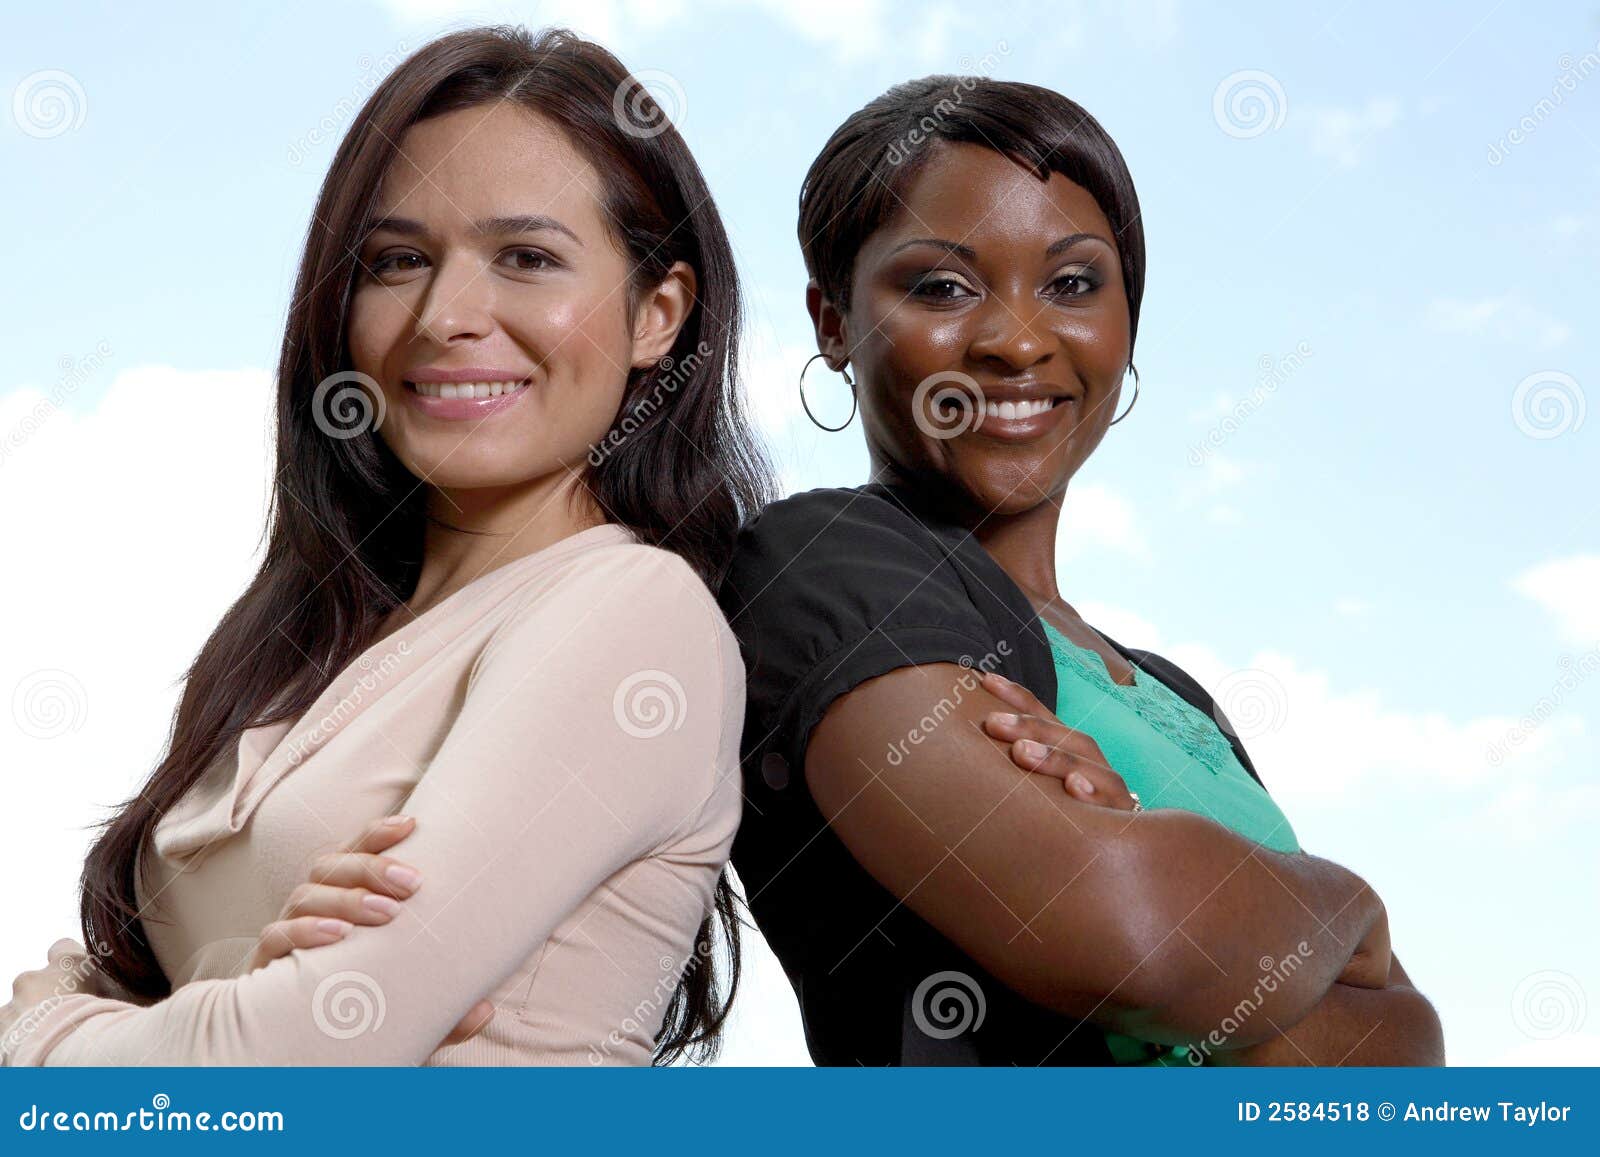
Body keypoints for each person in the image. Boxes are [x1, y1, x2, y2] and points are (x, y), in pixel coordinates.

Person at [0, 25, 773, 1067]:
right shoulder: (301, 639)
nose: (446, 315)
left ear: (658, 315)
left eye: (527, 257)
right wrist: (222, 1008)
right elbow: (247, 1044)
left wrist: (39, 1029)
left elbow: (298, 1053)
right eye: (397, 261)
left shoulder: (630, 611)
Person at [715, 76, 1444, 1066]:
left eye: (1071, 283)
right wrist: (1347, 912)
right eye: (940, 285)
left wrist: (1237, 932)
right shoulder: (820, 565)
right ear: (833, 322)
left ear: (1127, 323)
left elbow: (1407, 1049)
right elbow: (1130, 939)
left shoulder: (1175, 695)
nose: (1016, 340)